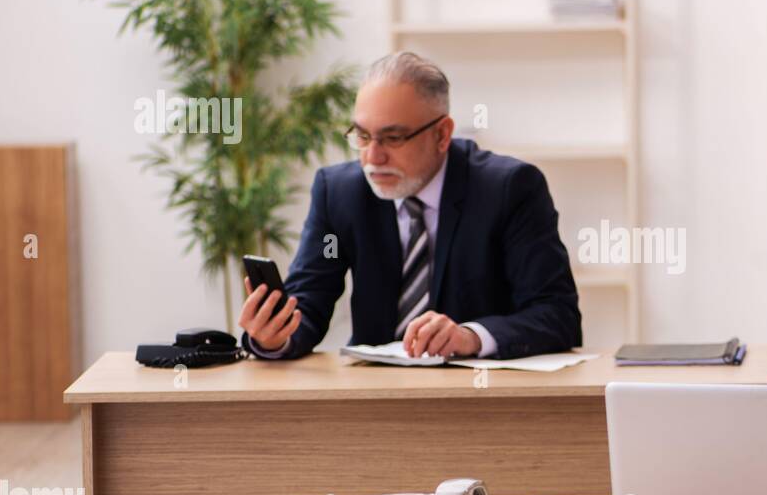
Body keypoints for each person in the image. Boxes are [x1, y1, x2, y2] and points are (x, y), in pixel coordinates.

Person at [239, 51, 581, 360]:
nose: (373, 157)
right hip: (375, 398)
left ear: (442, 135)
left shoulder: (509, 189)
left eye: (393, 138)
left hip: (483, 399)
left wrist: (470, 337)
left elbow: (556, 314)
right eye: (362, 136)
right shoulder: (339, 193)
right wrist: (274, 337)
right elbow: (308, 305)